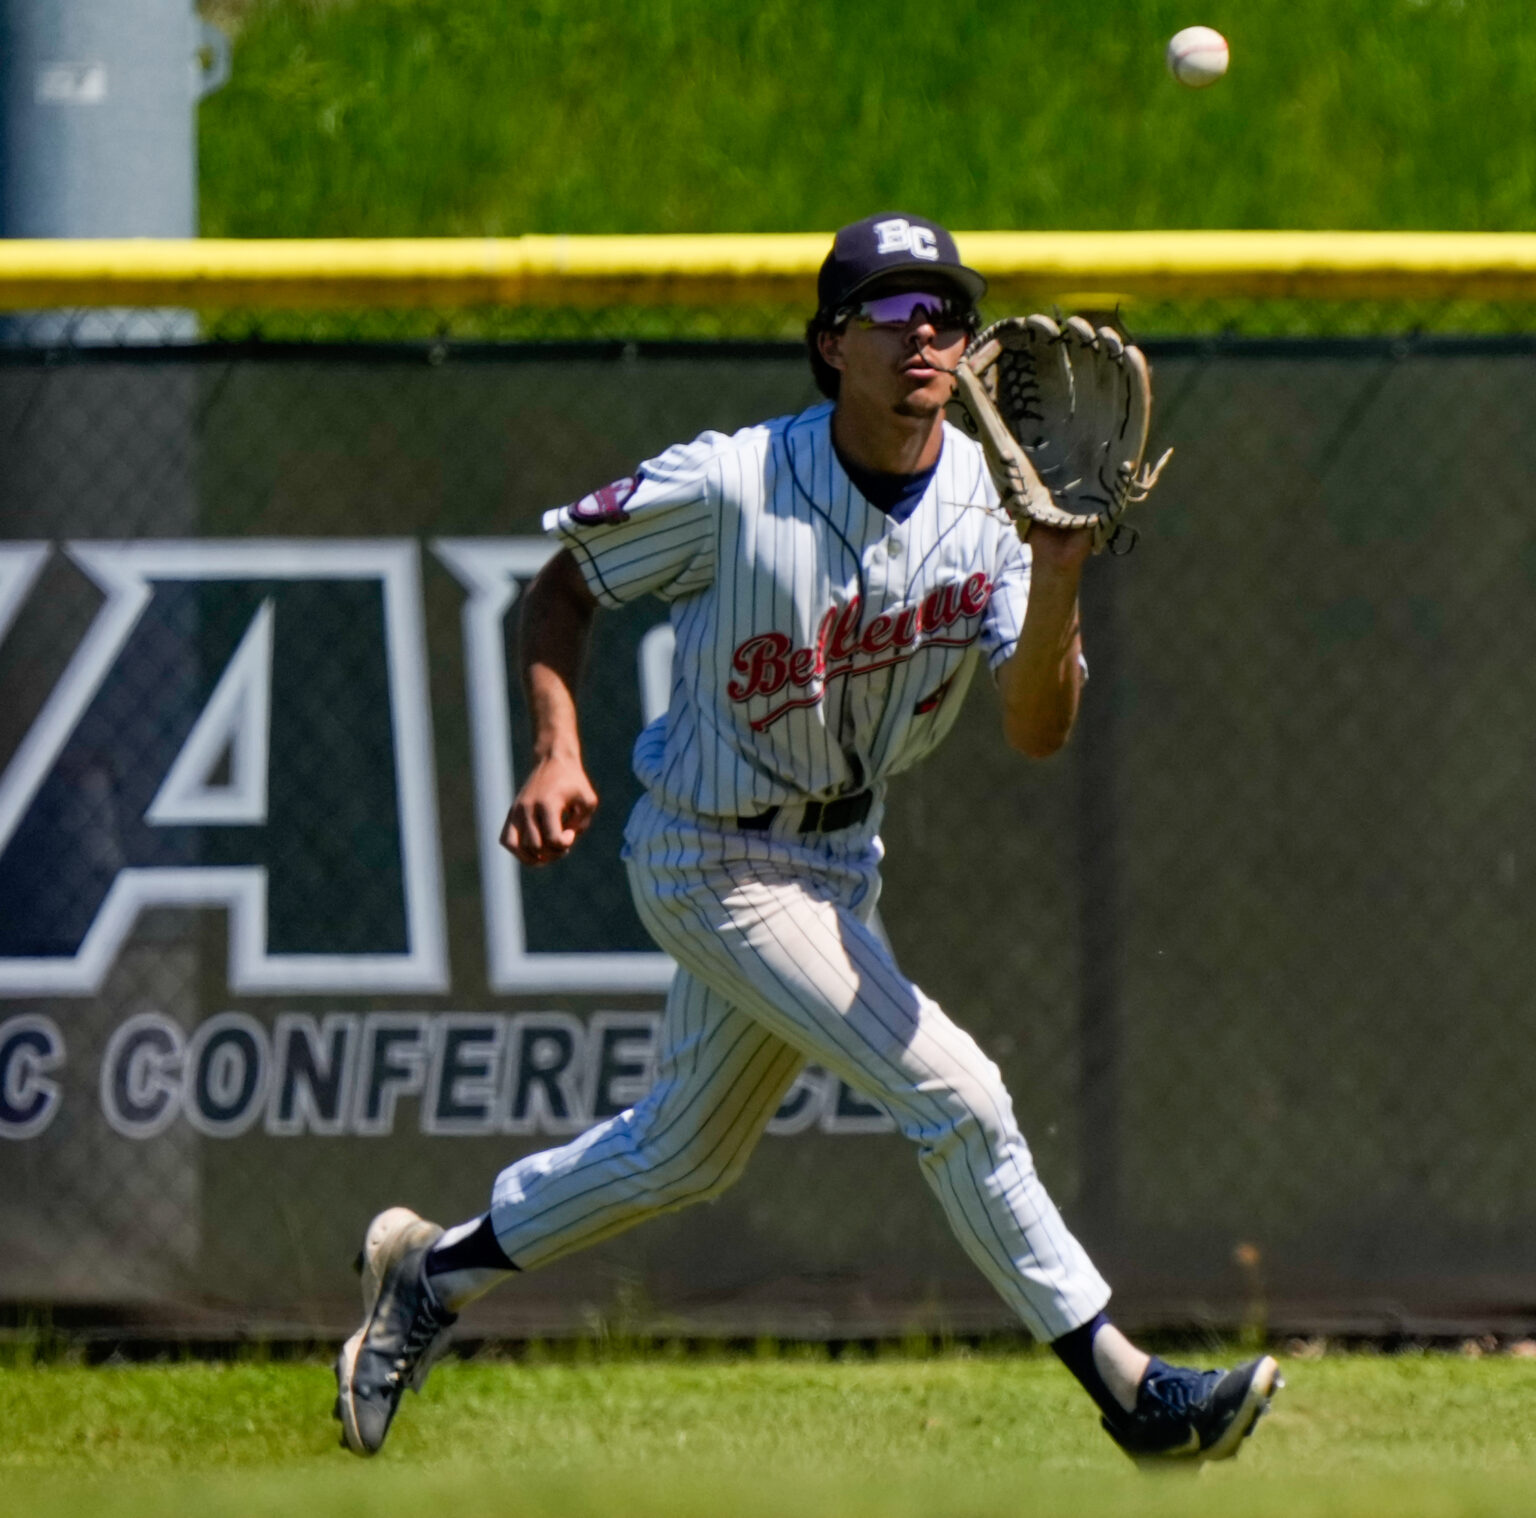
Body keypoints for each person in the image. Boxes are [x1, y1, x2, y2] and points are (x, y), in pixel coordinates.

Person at [333, 211, 1282, 1464]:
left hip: (840, 860)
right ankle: (1130, 1390)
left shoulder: (995, 511)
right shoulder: (733, 483)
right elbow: (564, 583)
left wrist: (1058, 573)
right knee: (958, 1096)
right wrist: (557, 751)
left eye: (946, 311)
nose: (927, 334)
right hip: (709, 853)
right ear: (831, 346)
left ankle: (428, 1274)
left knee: (680, 1155)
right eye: (892, 313)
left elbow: (1040, 729)